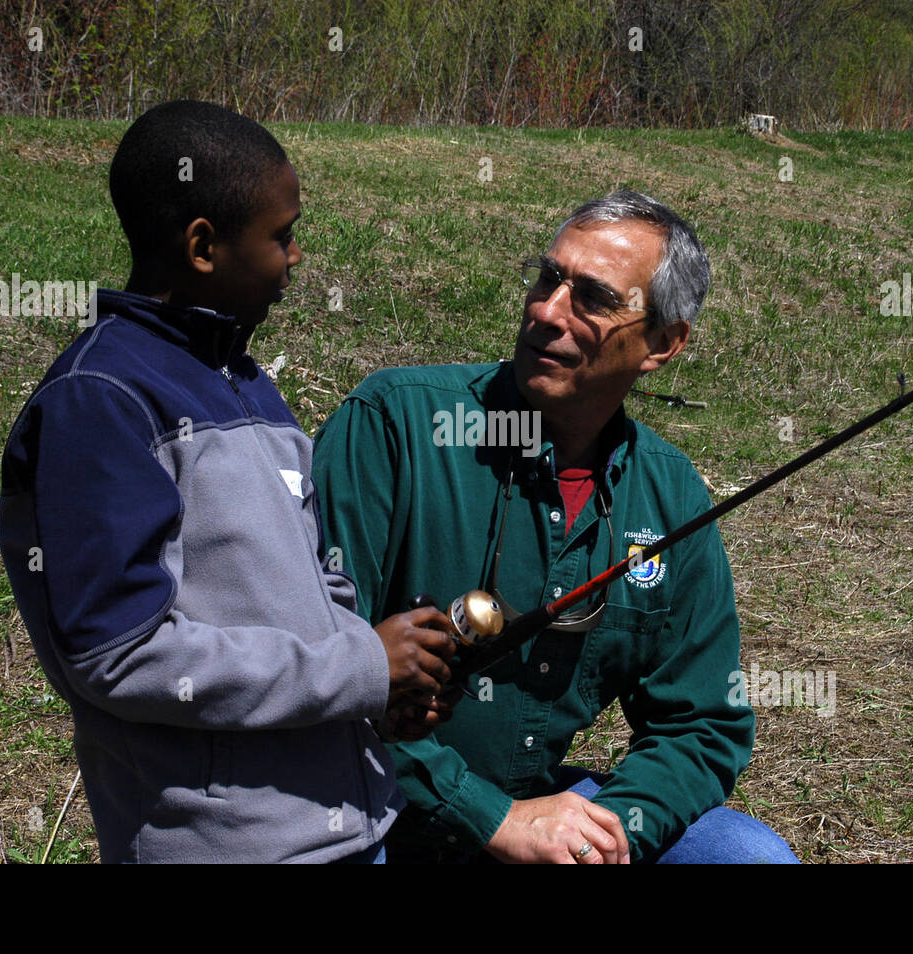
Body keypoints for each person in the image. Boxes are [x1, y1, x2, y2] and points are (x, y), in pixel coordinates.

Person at [0, 100, 455, 863]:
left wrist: (378, 691)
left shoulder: (245, 382)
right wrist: (359, 667)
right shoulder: (101, 401)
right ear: (204, 246)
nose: (297, 256)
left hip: (351, 825)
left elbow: (309, 590)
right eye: (282, 235)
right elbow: (120, 655)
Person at [313, 190, 797, 863]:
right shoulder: (394, 423)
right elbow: (317, 664)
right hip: (370, 810)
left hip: (536, 817)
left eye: (593, 298)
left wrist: (606, 835)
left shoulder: (670, 494)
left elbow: (702, 724)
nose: (546, 310)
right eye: (548, 278)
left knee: (746, 856)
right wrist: (494, 819)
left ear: (663, 343)